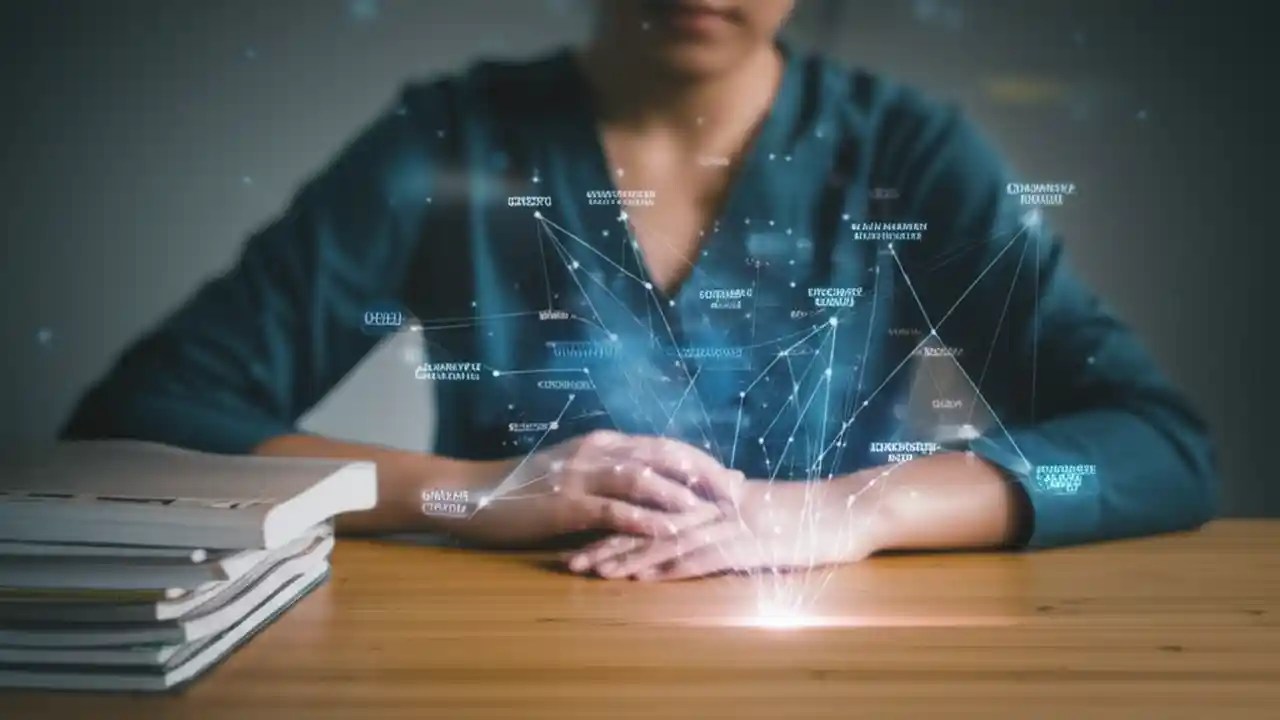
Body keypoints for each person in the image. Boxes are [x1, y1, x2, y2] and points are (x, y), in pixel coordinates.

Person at [64, 0, 1216, 581]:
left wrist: (850, 510)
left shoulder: (906, 151)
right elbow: (136, 434)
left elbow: (1151, 444)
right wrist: (479, 490)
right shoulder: (450, 143)